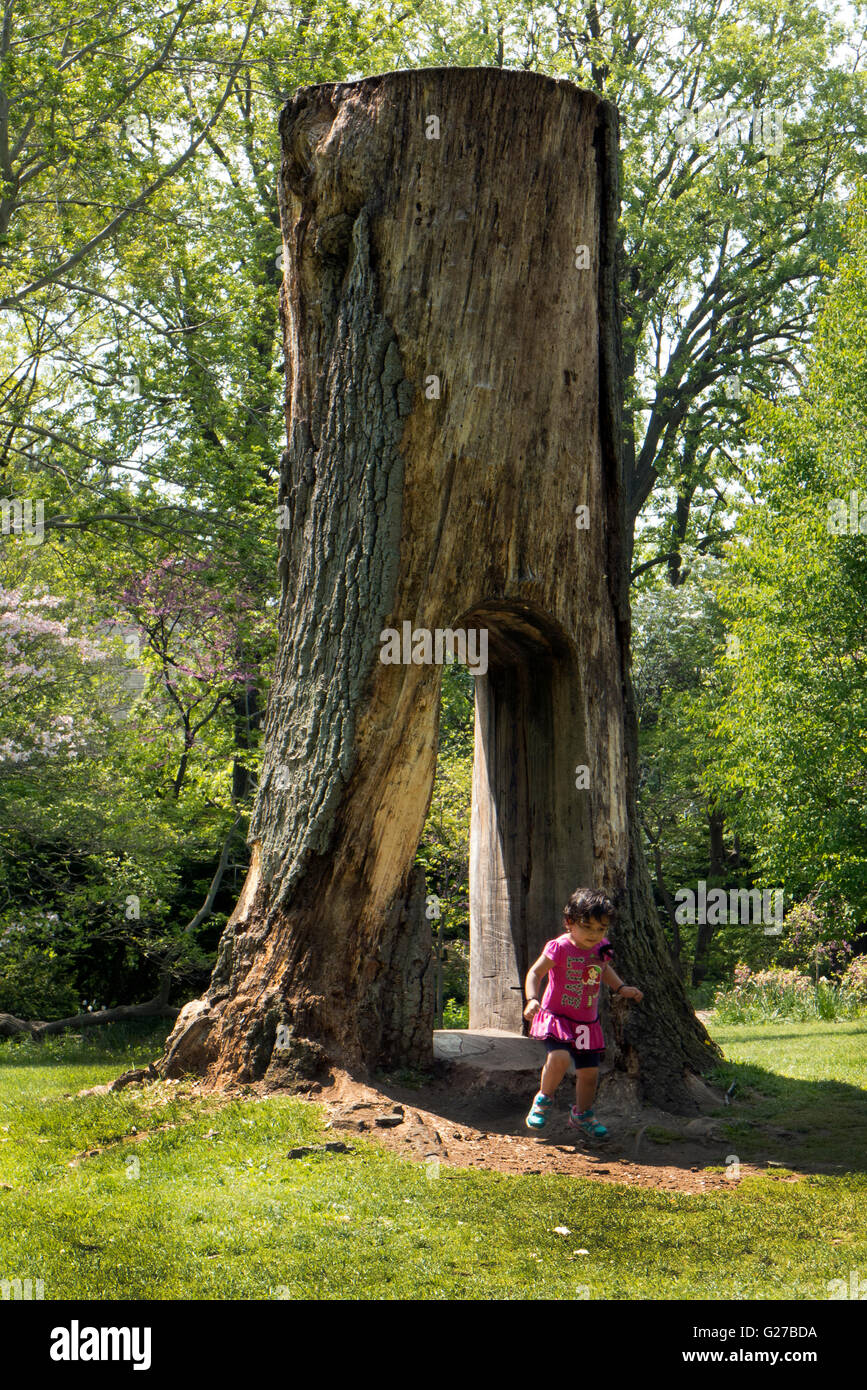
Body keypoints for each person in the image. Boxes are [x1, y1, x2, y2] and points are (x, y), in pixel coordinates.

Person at [522, 888, 643, 1137]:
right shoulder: (560, 947)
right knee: (560, 1059)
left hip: (587, 1023)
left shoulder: (602, 948)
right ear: (569, 923)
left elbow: (604, 969)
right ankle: (543, 1099)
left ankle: (582, 1115)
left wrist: (621, 988)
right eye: (587, 927)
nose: (594, 934)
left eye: (601, 929)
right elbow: (535, 972)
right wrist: (531, 999)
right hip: (557, 1018)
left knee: (589, 1074)